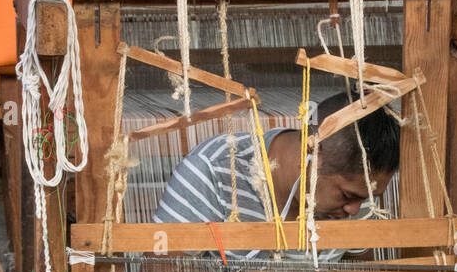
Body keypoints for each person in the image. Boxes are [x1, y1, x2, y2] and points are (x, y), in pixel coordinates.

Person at [152, 91, 400, 258]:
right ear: (311, 154)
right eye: (347, 195)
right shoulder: (212, 172)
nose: (355, 211)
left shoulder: (357, 198)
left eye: (369, 198)